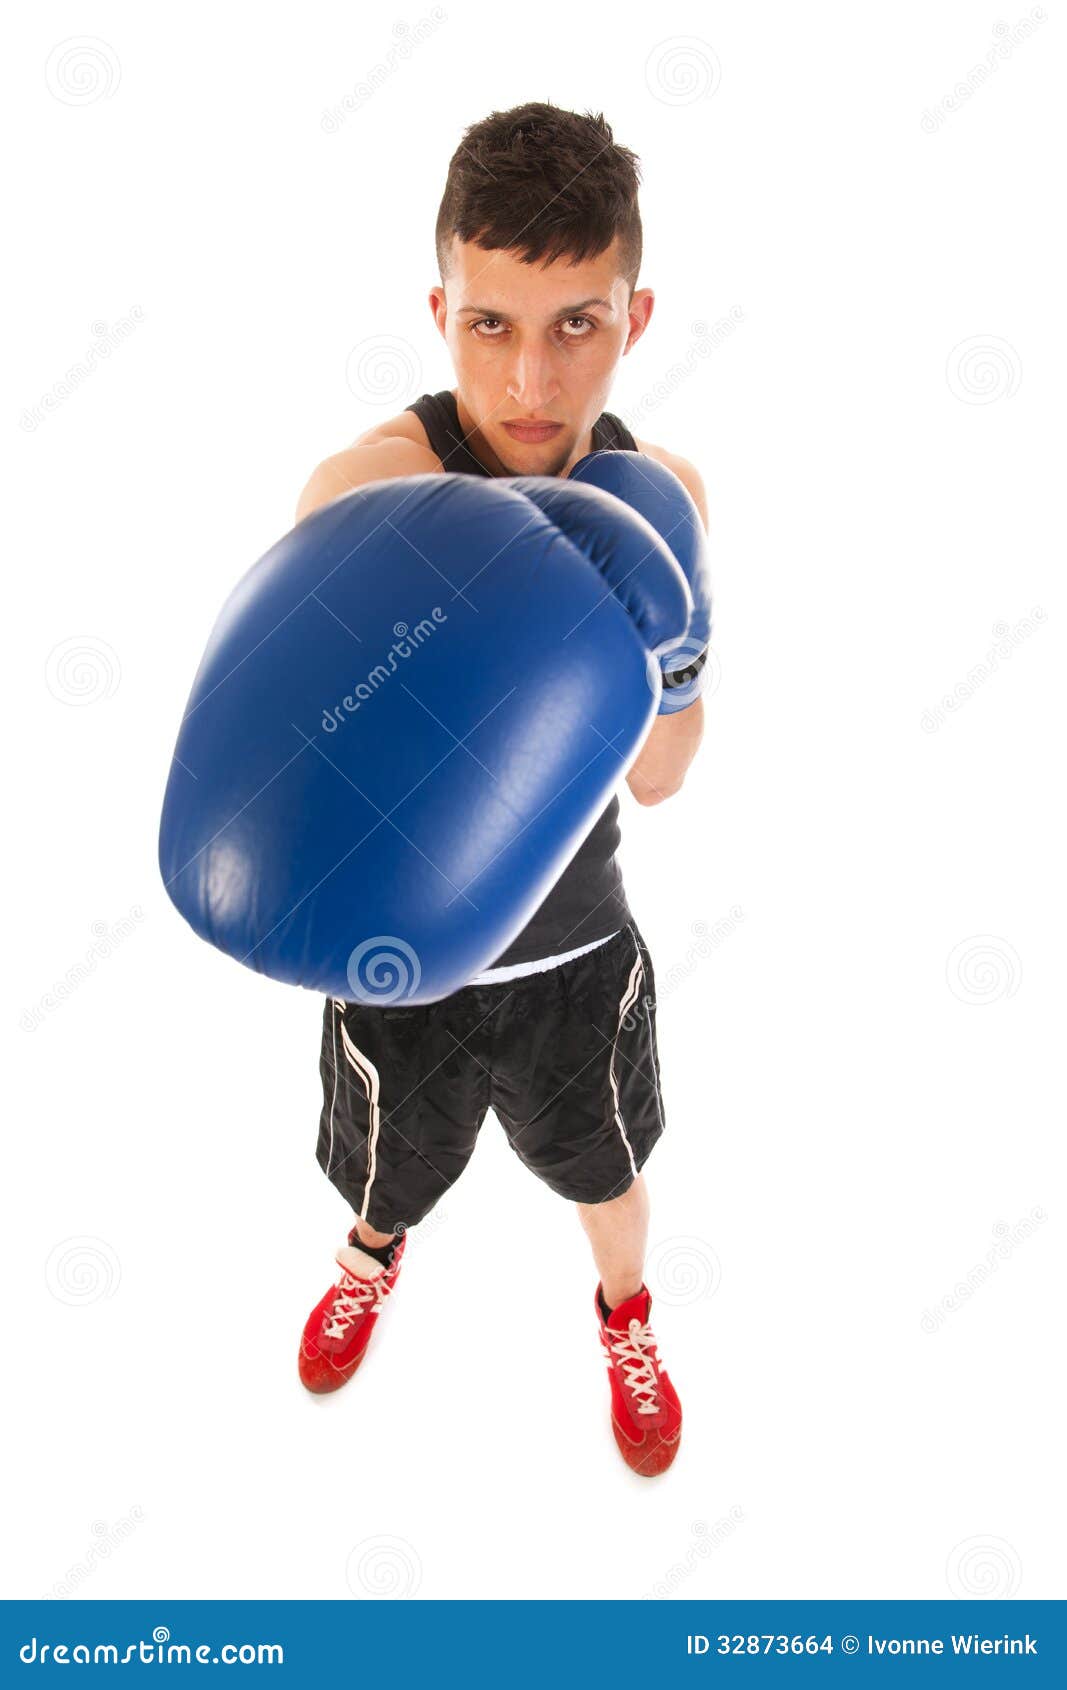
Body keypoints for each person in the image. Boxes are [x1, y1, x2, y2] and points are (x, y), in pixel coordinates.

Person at [295, 102, 709, 1478]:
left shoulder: (663, 504)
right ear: (442, 310)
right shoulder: (382, 482)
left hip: (576, 953)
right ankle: (371, 1256)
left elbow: (657, 778)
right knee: (385, 1172)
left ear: (634, 318)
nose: (532, 378)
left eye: (577, 324)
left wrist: (680, 656)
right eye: (492, 325)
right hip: (399, 957)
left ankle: (628, 1316)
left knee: (602, 1172)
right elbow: (324, 542)